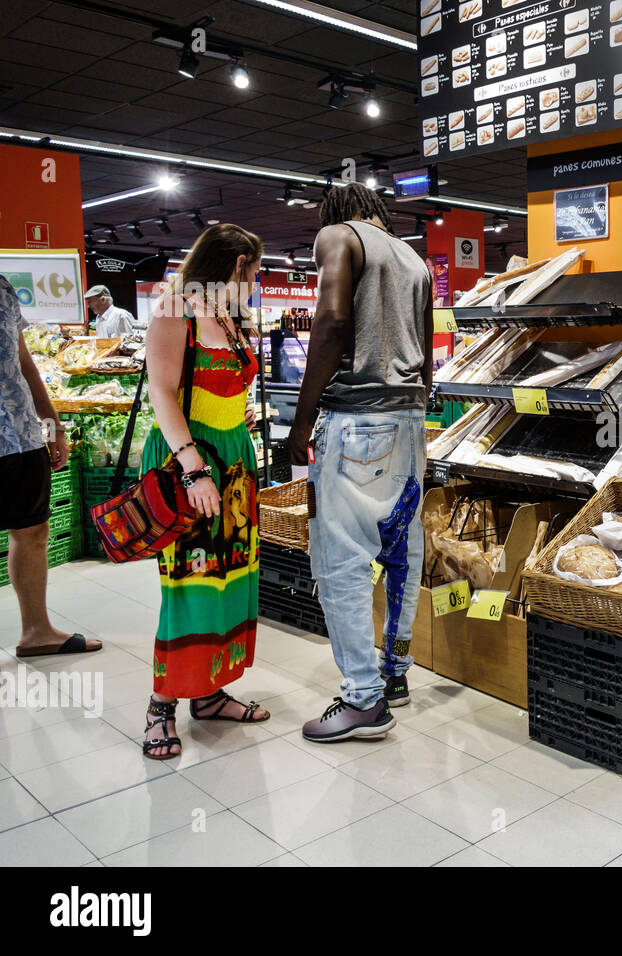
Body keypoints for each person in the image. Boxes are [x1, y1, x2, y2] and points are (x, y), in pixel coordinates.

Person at [288, 183, 433, 743]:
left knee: (341, 563)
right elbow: (426, 352)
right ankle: (394, 674)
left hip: (354, 423)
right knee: (401, 549)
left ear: (333, 214)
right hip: (408, 421)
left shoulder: (338, 237)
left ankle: (363, 700)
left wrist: (302, 423)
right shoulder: (413, 257)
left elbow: (330, 324)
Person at [139, 224, 270, 760]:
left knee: (231, 580)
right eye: (256, 272)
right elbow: (162, 393)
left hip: (234, 463)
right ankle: (160, 706)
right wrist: (194, 469)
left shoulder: (227, 316)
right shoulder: (176, 308)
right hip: (190, 463)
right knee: (192, 585)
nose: (257, 282)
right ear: (238, 263)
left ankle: (210, 691)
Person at [1, 276, 102, 658]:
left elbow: (25, 363)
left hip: (20, 432)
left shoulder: (3, 289)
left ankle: (37, 631)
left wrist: (53, 425)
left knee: (32, 530)